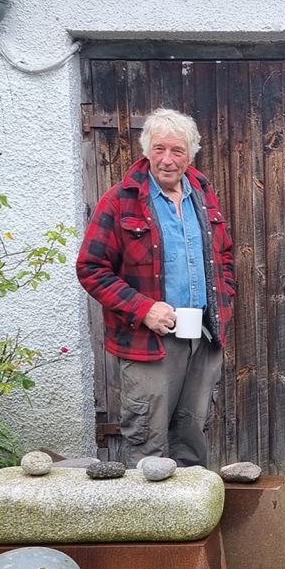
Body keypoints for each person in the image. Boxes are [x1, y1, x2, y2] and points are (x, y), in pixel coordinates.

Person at [76, 108, 236, 467]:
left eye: (177, 151)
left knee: (193, 433)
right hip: (149, 342)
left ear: (190, 154)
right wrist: (143, 308)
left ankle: (193, 516)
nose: (168, 160)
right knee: (147, 438)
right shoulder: (121, 200)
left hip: (203, 336)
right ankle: (148, 518)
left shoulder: (203, 196)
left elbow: (224, 254)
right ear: (146, 150)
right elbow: (91, 268)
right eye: (159, 149)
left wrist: (223, 298)